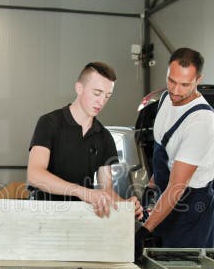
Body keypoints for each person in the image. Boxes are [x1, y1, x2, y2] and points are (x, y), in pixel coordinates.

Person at [27, 62, 142, 219]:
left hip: (81, 220)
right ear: (79, 88)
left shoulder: (104, 137)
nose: (101, 101)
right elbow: (35, 175)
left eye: (107, 96)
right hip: (43, 217)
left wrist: (126, 206)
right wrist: (83, 192)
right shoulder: (50, 123)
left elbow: (106, 190)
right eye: (97, 93)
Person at [136, 48, 214, 256]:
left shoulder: (201, 121)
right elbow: (165, 156)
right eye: (171, 80)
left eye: (184, 84)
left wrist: (145, 230)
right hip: (167, 199)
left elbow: (177, 185)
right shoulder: (165, 99)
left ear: (198, 79)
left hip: (192, 209)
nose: (175, 90)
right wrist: (151, 189)